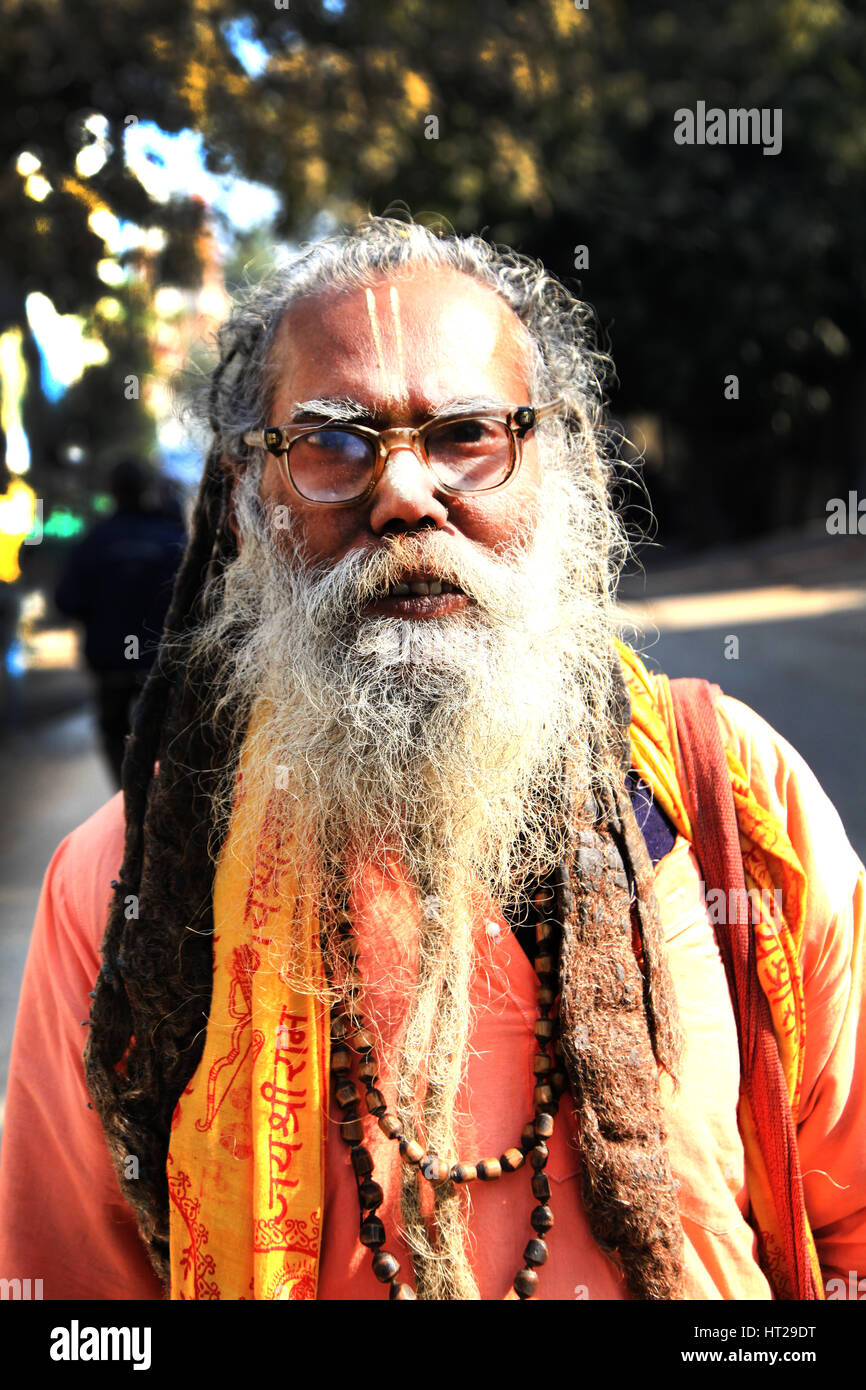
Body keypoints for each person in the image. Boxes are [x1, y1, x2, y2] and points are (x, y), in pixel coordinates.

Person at [0, 219, 863, 1302]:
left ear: (555, 467)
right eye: (333, 442)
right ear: (247, 495)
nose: (403, 493)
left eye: (464, 434)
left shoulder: (731, 795)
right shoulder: (128, 887)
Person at [54, 459, 186, 784]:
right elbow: (197, 598)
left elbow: (67, 600)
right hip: (160, 664)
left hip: (110, 663)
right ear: (146, 490)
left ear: (112, 492)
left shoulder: (94, 541)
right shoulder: (172, 537)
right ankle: (158, 802)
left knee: (115, 735)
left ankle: (124, 799)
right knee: (163, 736)